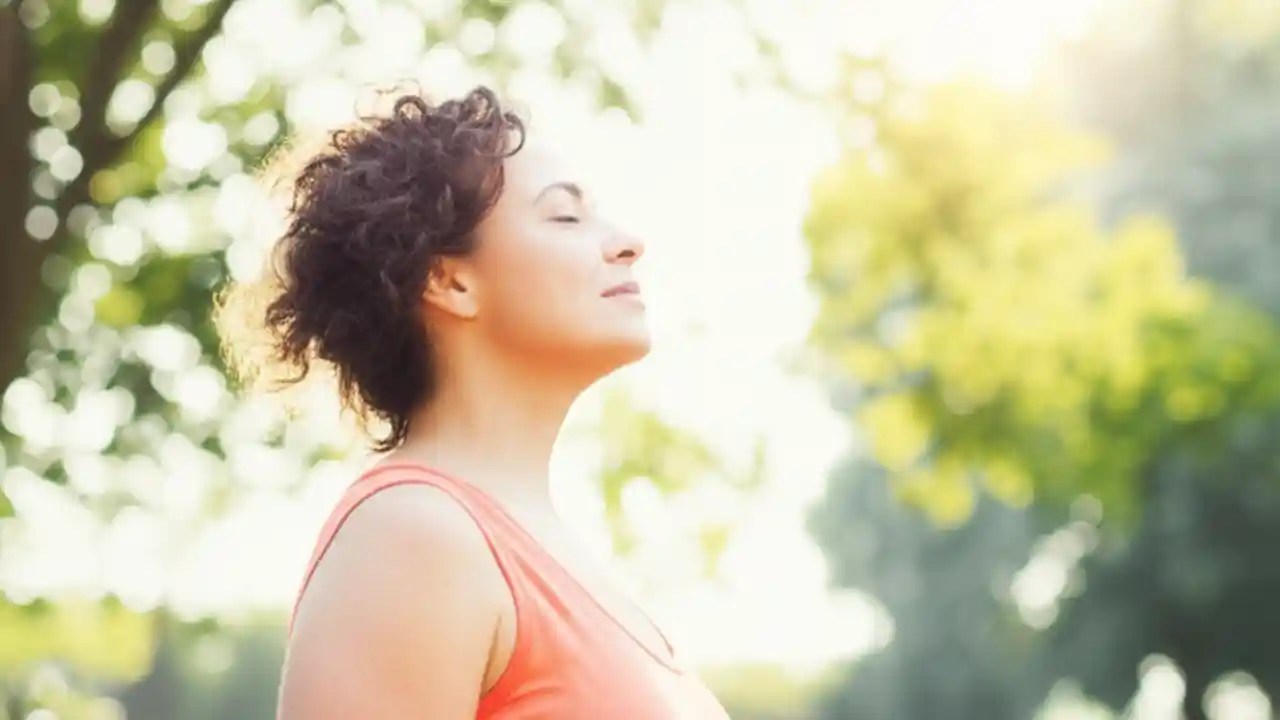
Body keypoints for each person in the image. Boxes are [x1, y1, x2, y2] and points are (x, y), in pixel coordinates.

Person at [213, 85, 731, 719]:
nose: (628, 243)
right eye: (565, 217)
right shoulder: (411, 536)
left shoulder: (555, 553)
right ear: (448, 280)